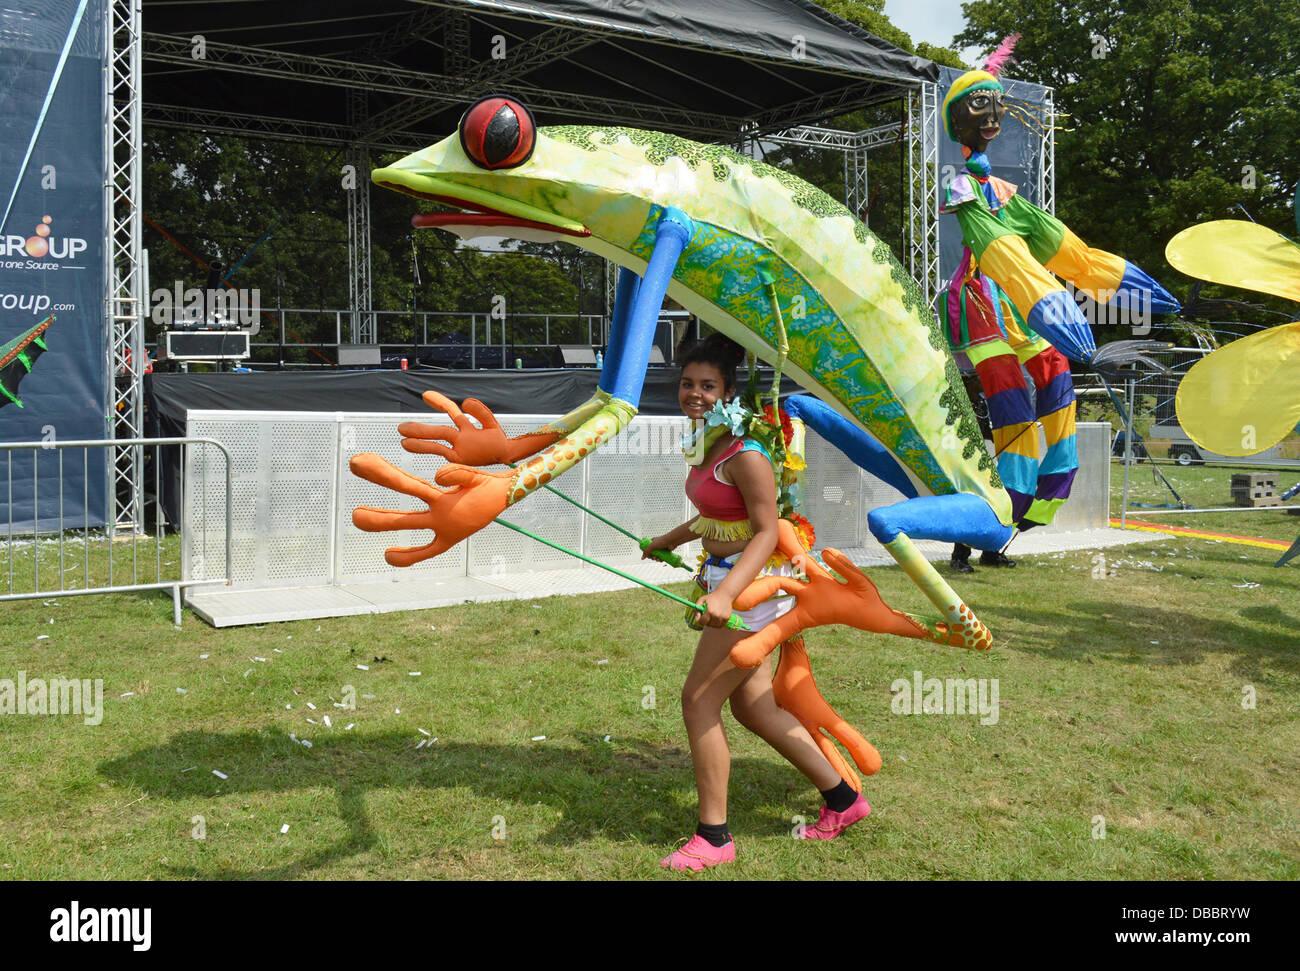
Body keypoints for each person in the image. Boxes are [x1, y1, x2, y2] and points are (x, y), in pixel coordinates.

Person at [641, 333, 869, 872]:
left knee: (698, 700)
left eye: (707, 385)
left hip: (753, 588)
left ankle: (714, 838)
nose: (694, 393)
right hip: (729, 578)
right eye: (688, 383)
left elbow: (767, 531)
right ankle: (843, 799)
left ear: (727, 391)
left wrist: (724, 593)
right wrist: (669, 541)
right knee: (752, 704)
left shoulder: (746, 452)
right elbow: (716, 515)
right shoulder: (708, 439)